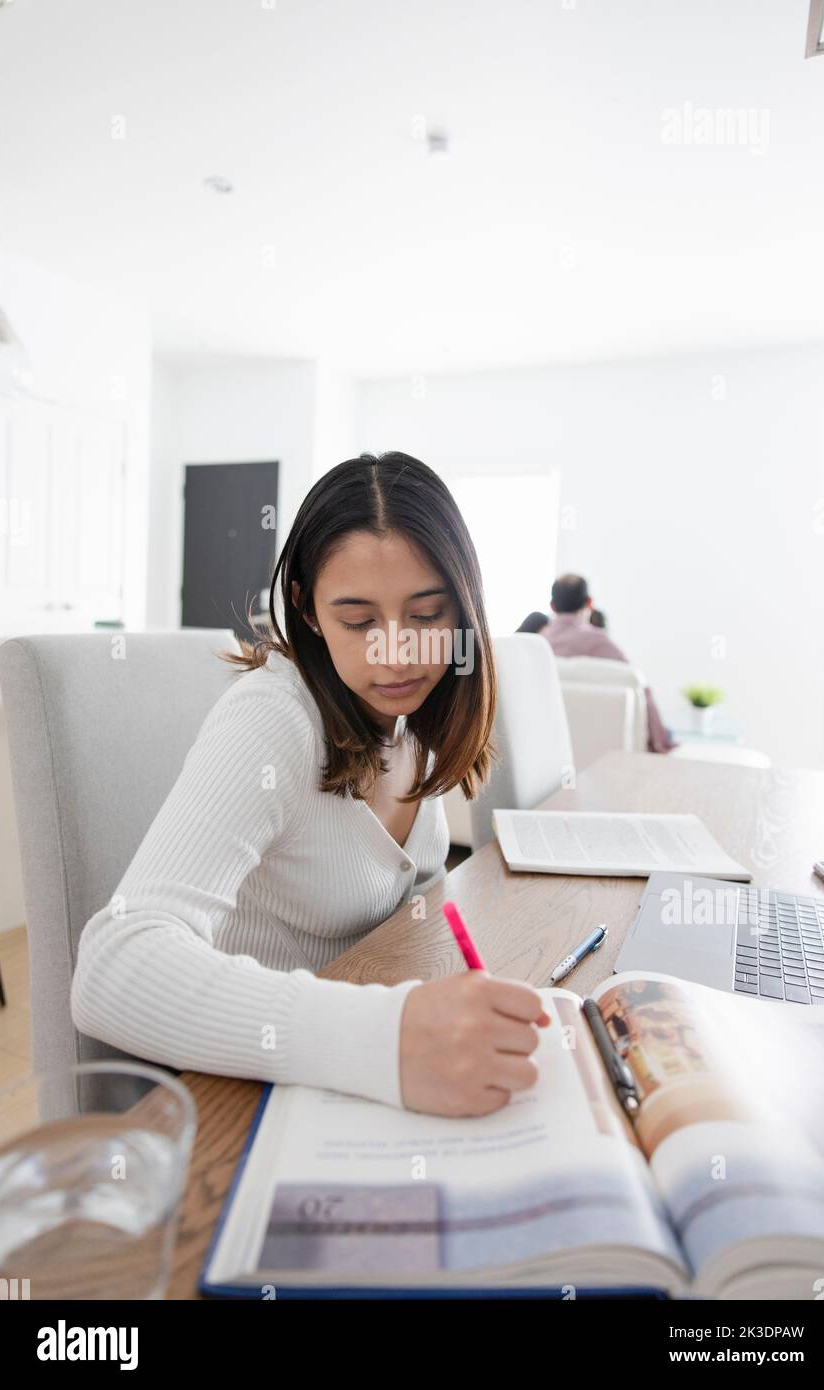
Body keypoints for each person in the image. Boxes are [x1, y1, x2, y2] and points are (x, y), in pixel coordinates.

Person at [72, 452, 550, 1119]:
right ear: (306, 607)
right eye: (357, 621)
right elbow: (112, 971)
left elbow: (408, 909)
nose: (395, 653)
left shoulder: (408, 720)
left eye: (426, 615)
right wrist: (385, 1036)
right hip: (246, 1098)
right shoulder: (274, 718)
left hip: (347, 1083)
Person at [542, 573, 676, 753]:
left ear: (552, 605)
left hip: (551, 743)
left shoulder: (538, 644)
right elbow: (637, 683)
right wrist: (660, 740)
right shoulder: (598, 641)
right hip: (607, 747)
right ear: (589, 603)